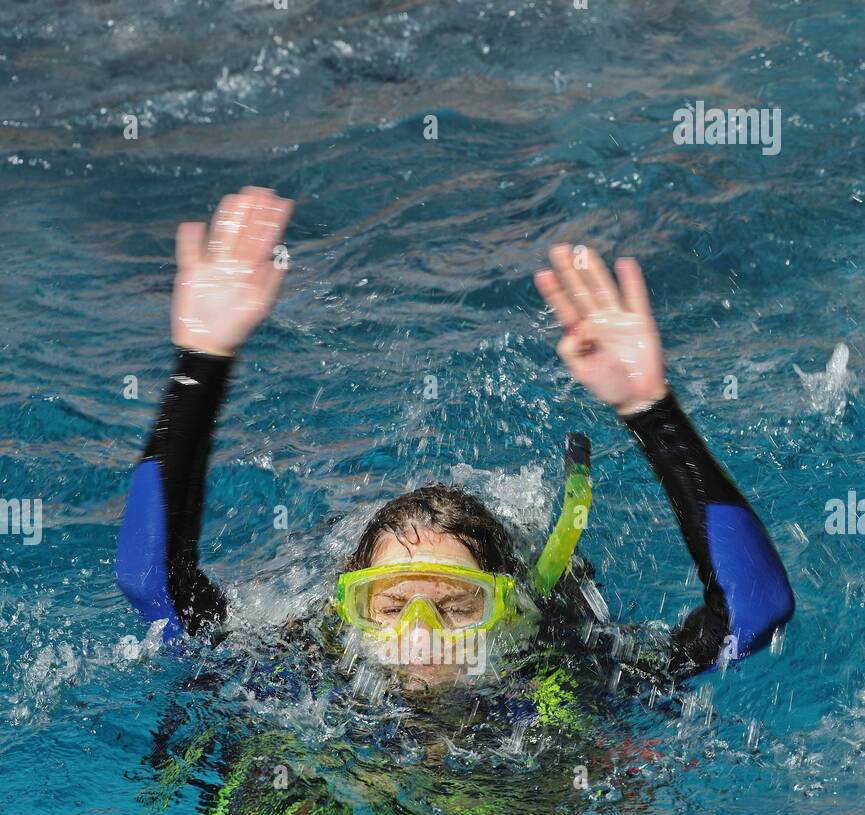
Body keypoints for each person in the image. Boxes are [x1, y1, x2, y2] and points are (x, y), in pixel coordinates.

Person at [116, 186, 795, 705]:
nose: (418, 633)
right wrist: (200, 358)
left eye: (455, 606)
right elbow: (154, 586)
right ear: (347, 611)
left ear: (507, 610)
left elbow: (751, 613)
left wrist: (651, 409)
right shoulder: (300, 679)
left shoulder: (574, 679)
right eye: (387, 605)